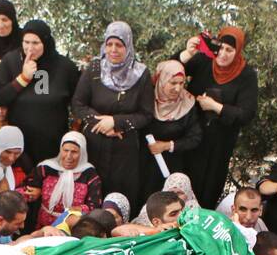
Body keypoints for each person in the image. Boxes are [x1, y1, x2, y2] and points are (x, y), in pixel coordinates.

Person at [73, 21, 153, 210]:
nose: (113, 50)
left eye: (119, 45)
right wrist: (101, 124)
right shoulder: (94, 69)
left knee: (120, 197)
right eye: (109, 44)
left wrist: (116, 122)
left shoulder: (141, 74)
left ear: (128, 46)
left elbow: (146, 114)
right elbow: (78, 104)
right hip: (94, 142)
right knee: (92, 195)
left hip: (124, 149)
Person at [177, 27, 258, 209]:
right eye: (220, 48)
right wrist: (187, 52)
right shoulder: (204, 60)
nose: (222, 54)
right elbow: (171, 71)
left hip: (218, 147)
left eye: (229, 50)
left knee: (206, 194)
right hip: (189, 139)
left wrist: (216, 107)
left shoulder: (246, 75)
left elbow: (247, 113)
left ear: (237, 52)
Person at [0, 19, 80, 166]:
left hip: (53, 146)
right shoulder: (11, 61)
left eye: (35, 43)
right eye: (26, 42)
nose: (30, 48)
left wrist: (75, 134)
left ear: (46, 42)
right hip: (19, 149)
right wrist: (22, 79)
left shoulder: (65, 67)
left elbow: (78, 103)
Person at [141, 60, 202, 199]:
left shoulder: (187, 103)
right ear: (162, 80)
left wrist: (167, 145)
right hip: (142, 164)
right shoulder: (146, 98)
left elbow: (195, 137)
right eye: (173, 83)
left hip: (171, 167)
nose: (178, 89)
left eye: (181, 83)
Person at [26, 131, 102, 229]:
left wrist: (77, 209)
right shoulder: (46, 168)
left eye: (74, 152)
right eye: (65, 150)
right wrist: (34, 192)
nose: (69, 156)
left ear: (82, 153)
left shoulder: (89, 174)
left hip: (72, 228)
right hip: (43, 227)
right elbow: (25, 188)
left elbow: (95, 205)